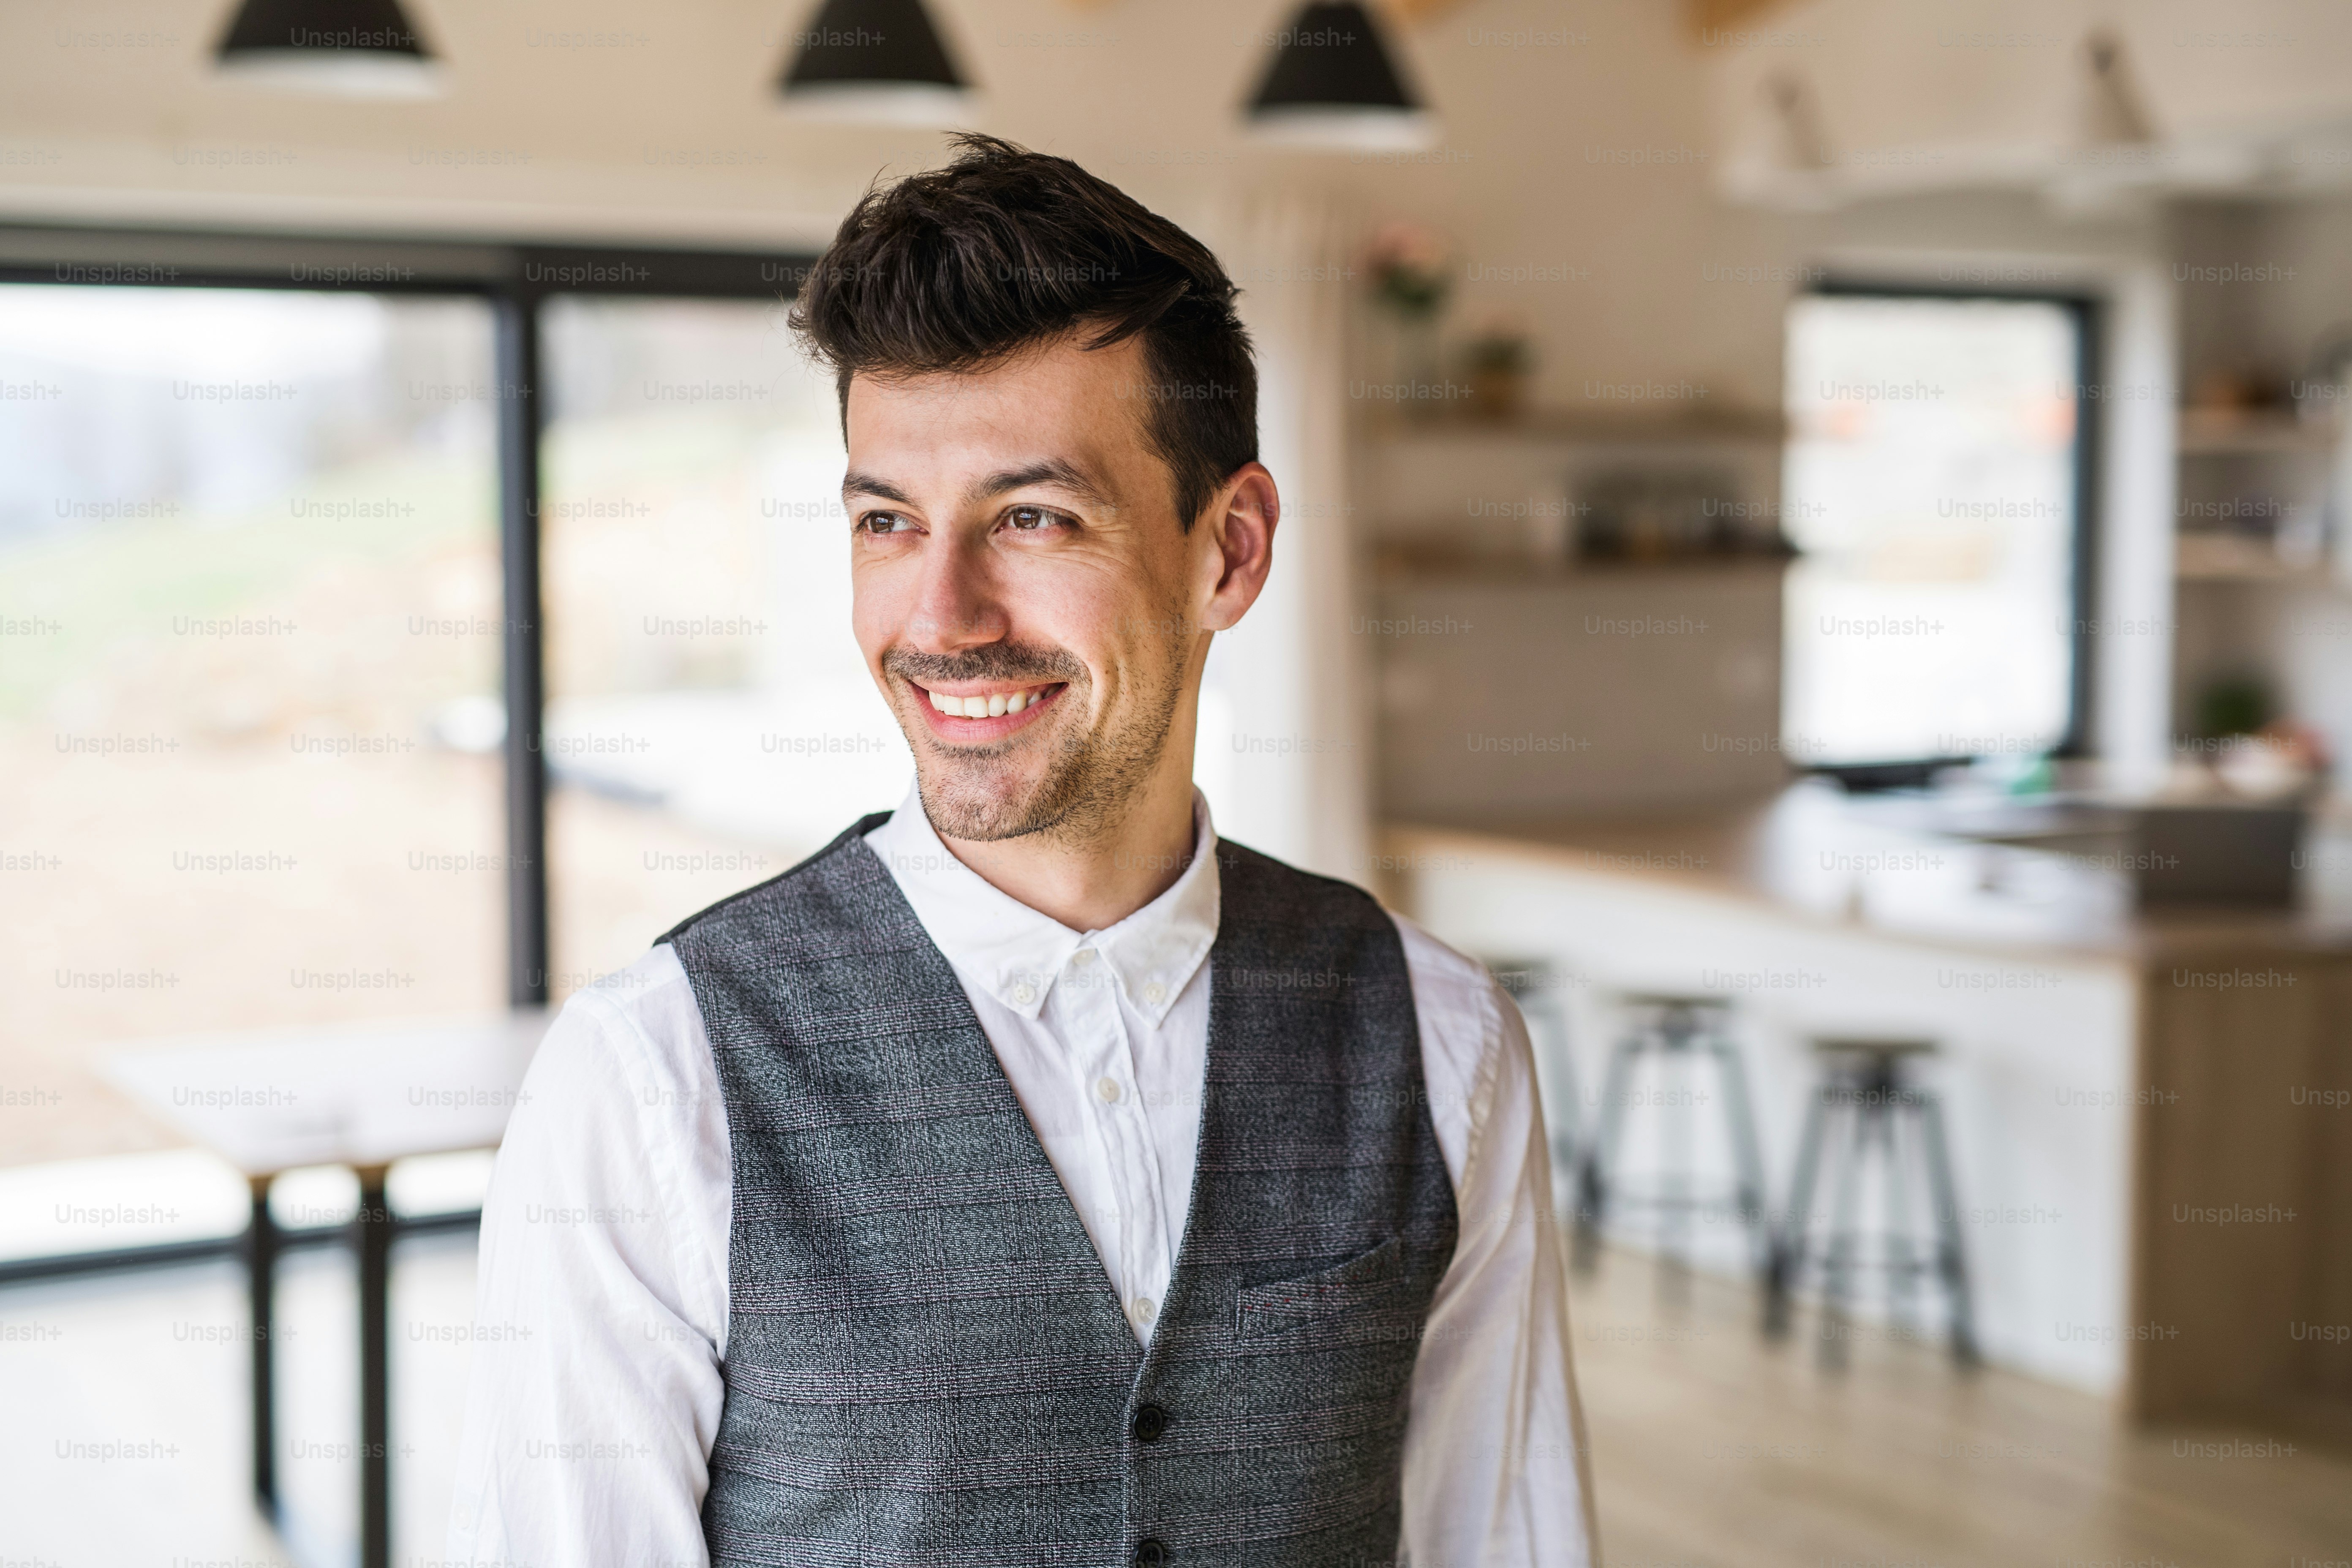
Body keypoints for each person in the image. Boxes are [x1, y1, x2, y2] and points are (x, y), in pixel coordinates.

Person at [446, 133, 1596, 1568]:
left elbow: (1507, 1539)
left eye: (1033, 517)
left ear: (1228, 550)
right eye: (888, 522)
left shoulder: (1442, 1037)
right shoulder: (647, 1080)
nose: (943, 616)